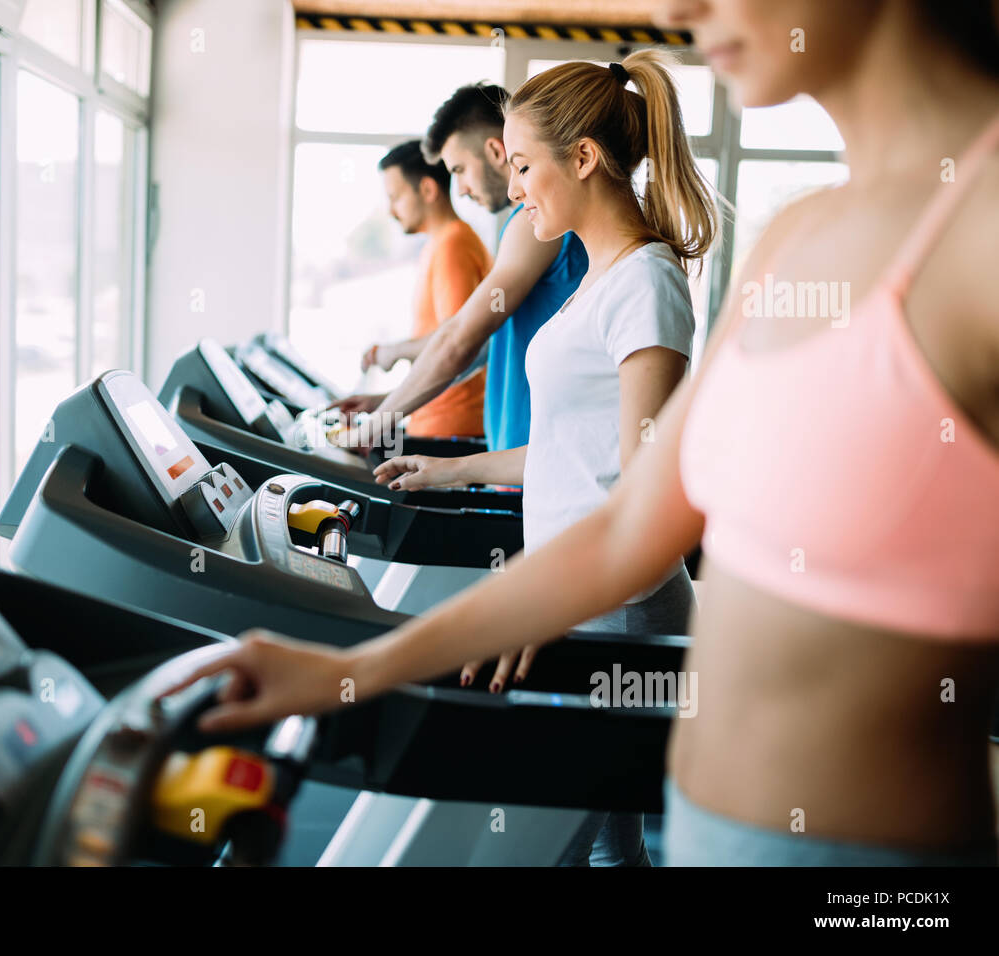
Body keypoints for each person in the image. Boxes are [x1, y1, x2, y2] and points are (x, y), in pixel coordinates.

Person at [169, 0, 999, 866]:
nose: (677, 8)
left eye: (524, 165)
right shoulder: (798, 238)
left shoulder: (980, 232)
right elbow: (629, 522)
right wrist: (349, 667)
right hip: (712, 827)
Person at [380, 51, 713, 866]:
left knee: (568, 842)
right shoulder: (599, 280)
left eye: (524, 165)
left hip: (617, 604)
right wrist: (449, 472)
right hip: (582, 587)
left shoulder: (647, 283)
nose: (514, 184)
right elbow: (576, 457)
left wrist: (549, 604)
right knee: (592, 842)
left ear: (585, 159)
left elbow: (643, 490)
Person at [333, 83, 588, 453]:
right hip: (521, 458)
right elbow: (484, 346)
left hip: (536, 459)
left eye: (460, 170)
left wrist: (375, 426)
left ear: (494, 150)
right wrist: (386, 402)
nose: (462, 190)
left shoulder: (536, 226)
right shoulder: (532, 224)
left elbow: (458, 340)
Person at [363, 140, 491, 439]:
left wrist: (392, 352)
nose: (391, 210)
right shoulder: (443, 243)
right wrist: (385, 401)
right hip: (433, 418)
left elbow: (459, 342)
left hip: (446, 425)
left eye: (395, 197)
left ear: (428, 190)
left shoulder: (453, 244)